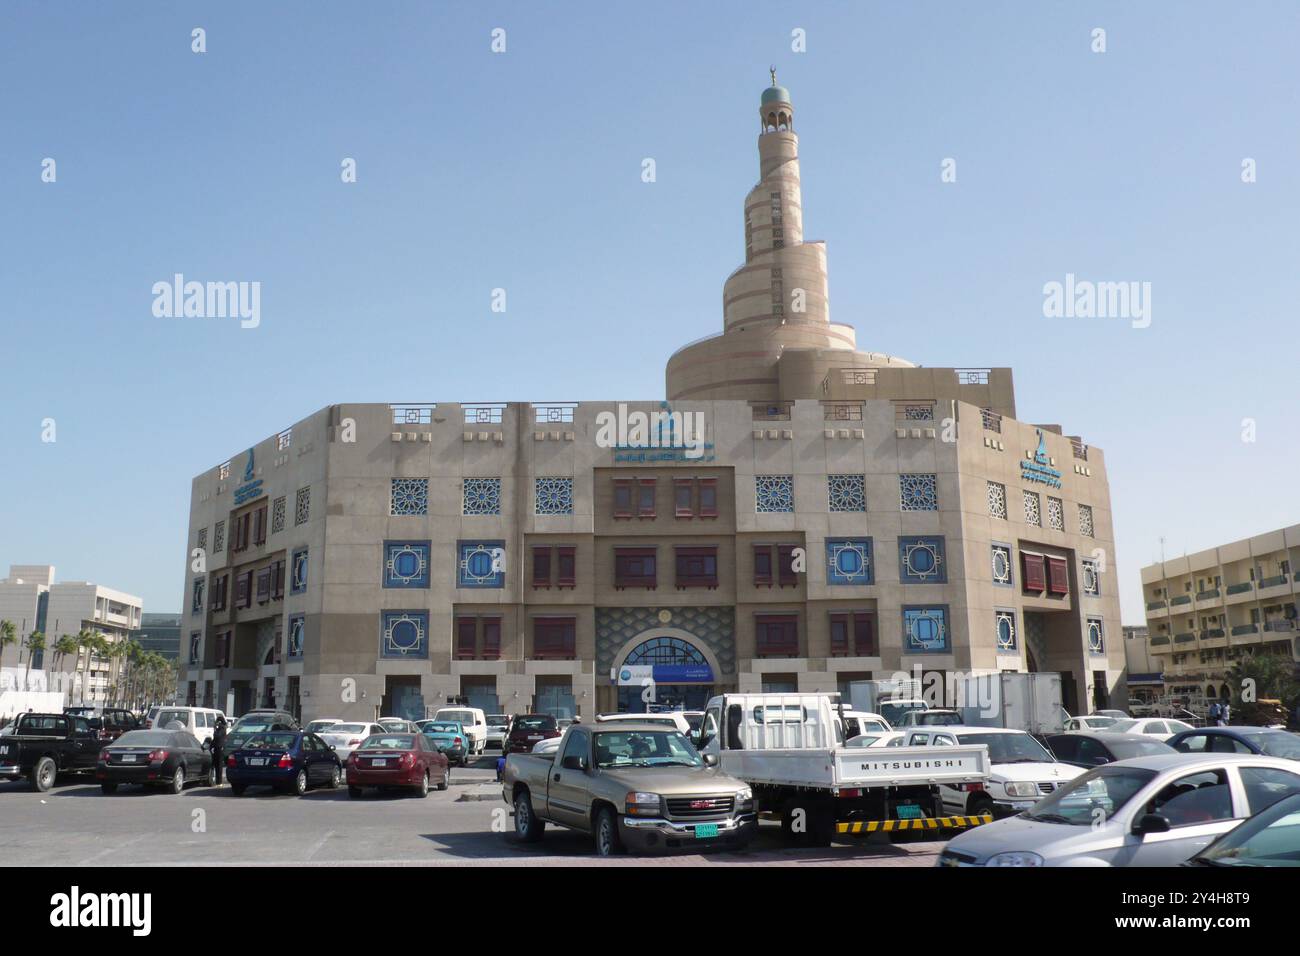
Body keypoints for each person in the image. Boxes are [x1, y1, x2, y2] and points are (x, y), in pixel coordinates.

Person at [211, 716, 227, 785]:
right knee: (216, 765)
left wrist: (215, 729)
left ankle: (219, 782)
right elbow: (214, 739)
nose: (216, 724)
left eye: (217, 722)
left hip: (220, 749)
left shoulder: (222, 728)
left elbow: (217, 736)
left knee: (219, 766)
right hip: (216, 748)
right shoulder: (219, 729)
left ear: (220, 722)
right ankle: (217, 781)